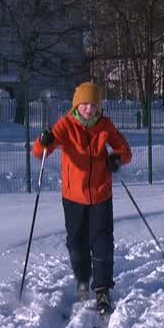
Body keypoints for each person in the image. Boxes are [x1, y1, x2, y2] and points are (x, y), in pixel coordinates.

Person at [35, 82, 132, 313]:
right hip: (73, 196)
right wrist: (44, 140)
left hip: (100, 193)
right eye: (84, 104)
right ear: (76, 105)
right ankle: (82, 278)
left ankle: (102, 289)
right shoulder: (66, 125)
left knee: (102, 242)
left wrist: (116, 159)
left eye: (93, 104)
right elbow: (39, 152)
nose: (89, 109)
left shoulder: (105, 125)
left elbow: (125, 151)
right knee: (76, 242)